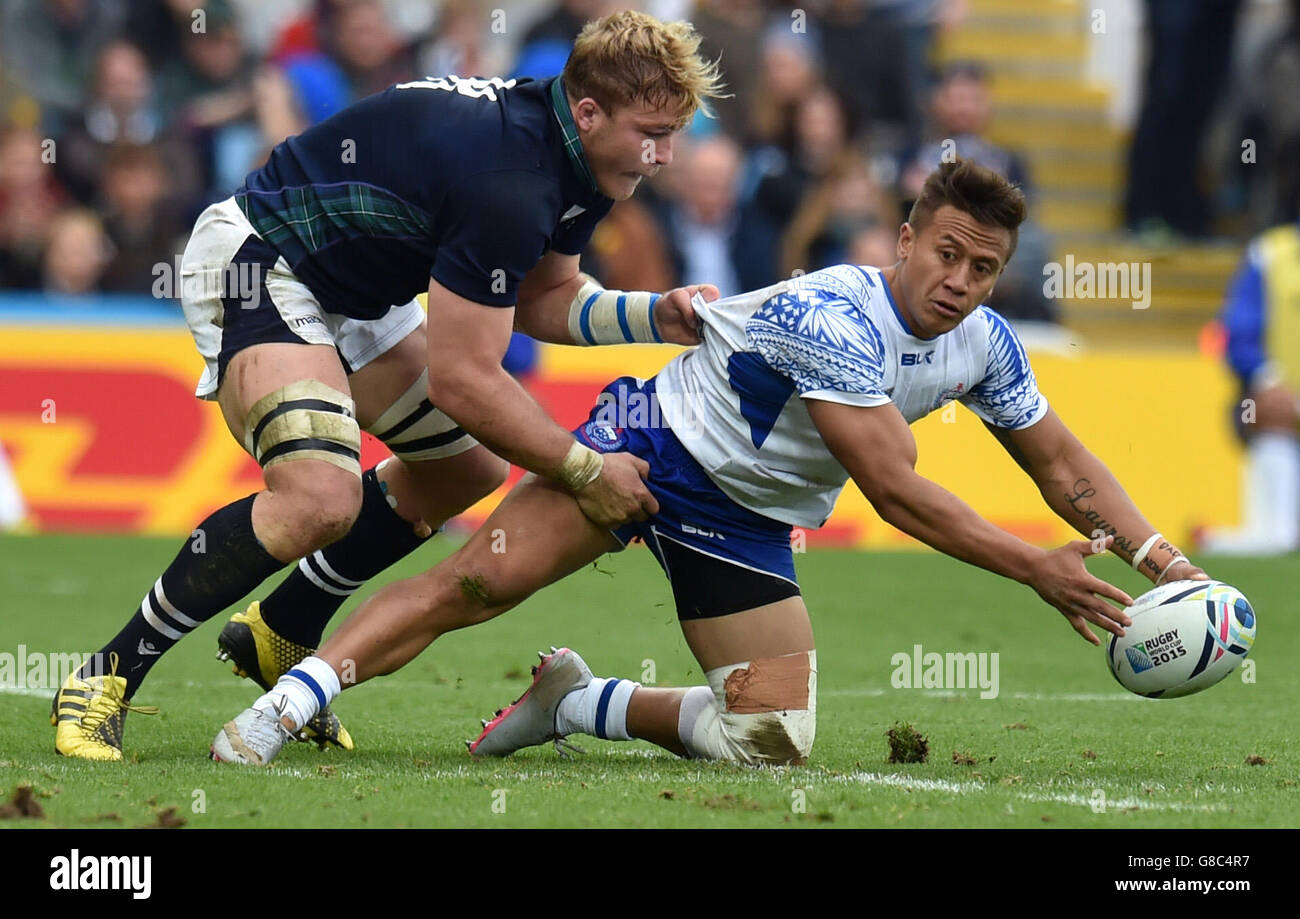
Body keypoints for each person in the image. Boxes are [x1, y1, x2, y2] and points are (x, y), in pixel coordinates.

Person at [210, 160, 1210, 769]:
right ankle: (286, 704)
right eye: (943, 253)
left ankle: (577, 701)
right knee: (475, 580)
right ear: (903, 240)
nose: (957, 281)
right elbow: (894, 489)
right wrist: (1034, 565)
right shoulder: (834, 316)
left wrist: (1168, 564)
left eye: (981, 267)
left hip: (744, 516)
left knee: (770, 740)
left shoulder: (986, 343)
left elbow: (1064, 465)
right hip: (652, 448)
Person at [51, 9, 726, 762]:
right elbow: (466, 381)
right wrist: (584, 468)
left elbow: (543, 294)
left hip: (353, 288)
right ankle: (105, 673)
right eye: (653, 133)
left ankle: (281, 629)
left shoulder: (579, 151)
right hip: (262, 259)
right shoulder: (516, 176)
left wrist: (649, 314)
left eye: (673, 134)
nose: (667, 155)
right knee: (319, 498)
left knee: (468, 466)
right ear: (591, 112)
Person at [1199, 217, 1300, 555]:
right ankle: (1278, 530)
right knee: (1270, 405)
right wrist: (1266, 378)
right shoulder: (1270, 253)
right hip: (1286, 402)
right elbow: (1238, 336)